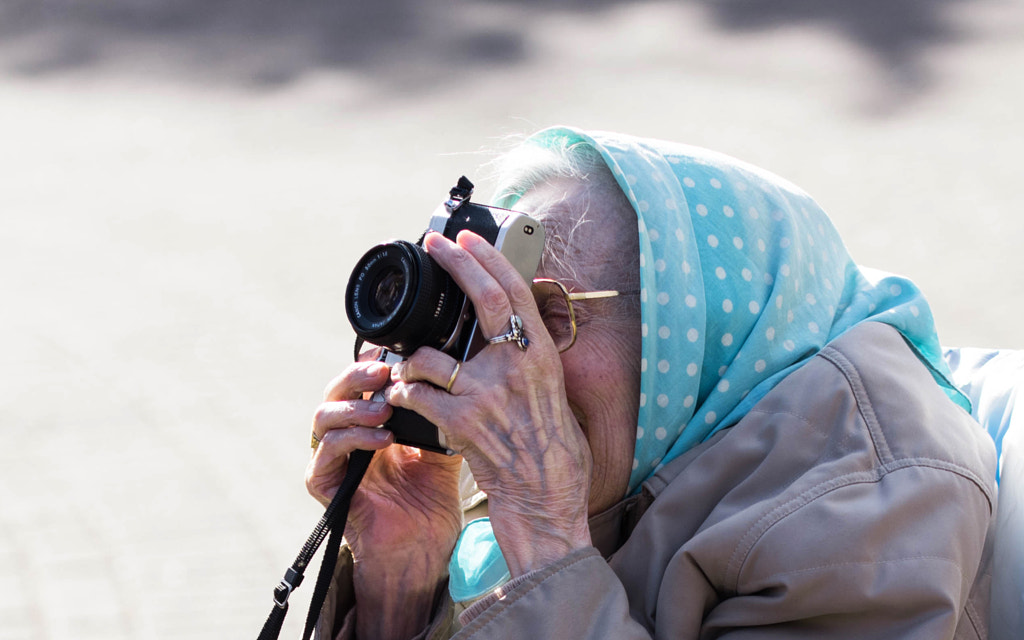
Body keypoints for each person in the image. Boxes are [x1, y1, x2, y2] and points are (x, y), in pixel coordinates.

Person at [305, 127, 997, 640]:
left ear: (690, 321)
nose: (510, 360)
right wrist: (401, 576)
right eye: (491, 315)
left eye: (545, 314)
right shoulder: (582, 453)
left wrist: (547, 542)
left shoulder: (868, 510)